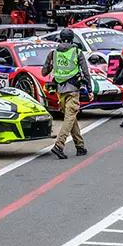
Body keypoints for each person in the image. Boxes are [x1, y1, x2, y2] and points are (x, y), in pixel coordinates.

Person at [41, 29, 92, 159]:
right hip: (73, 89)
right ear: (72, 39)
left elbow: (44, 72)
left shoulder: (53, 53)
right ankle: (59, 145)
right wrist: (90, 90)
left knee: (71, 116)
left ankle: (80, 146)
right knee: (69, 118)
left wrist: (53, 65)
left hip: (59, 91)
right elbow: (86, 73)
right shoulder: (77, 52)